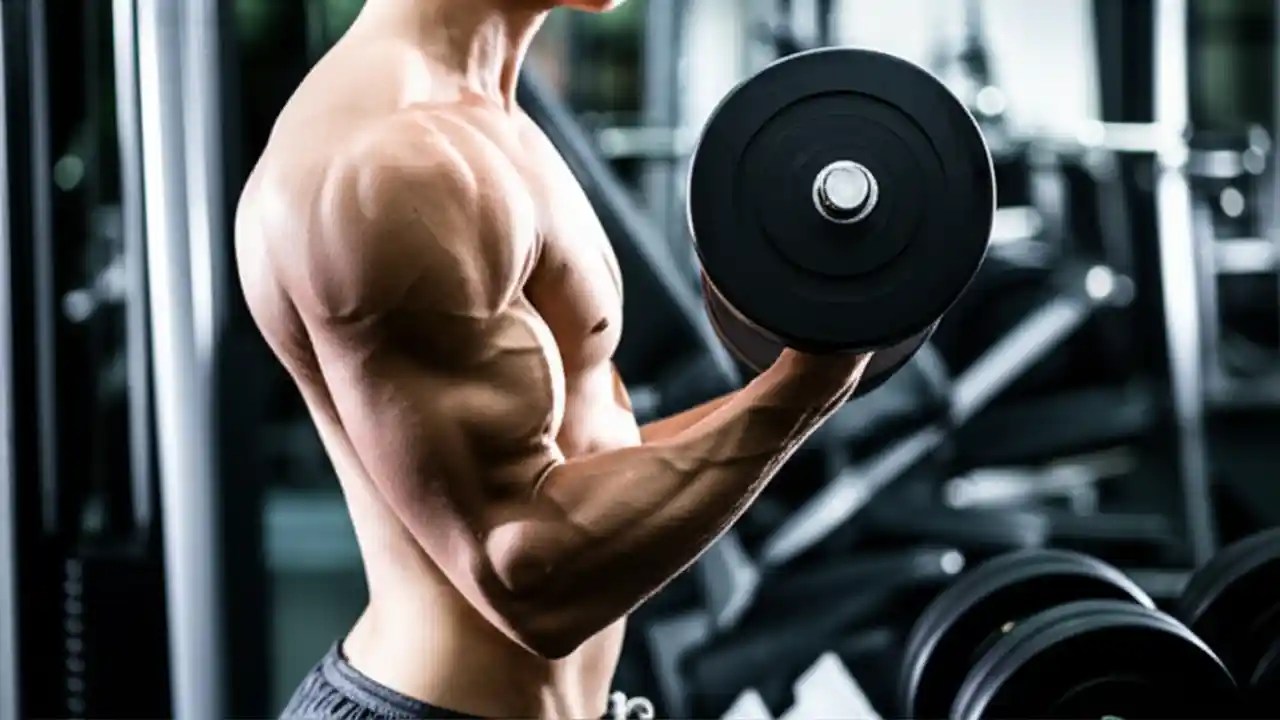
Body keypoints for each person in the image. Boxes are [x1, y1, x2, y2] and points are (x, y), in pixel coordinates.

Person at [234, 0, 871, 717]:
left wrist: (806, 376)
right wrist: (805, 390)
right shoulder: (392, 166)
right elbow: (528, 576)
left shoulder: (491, 118)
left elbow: (579, 468)